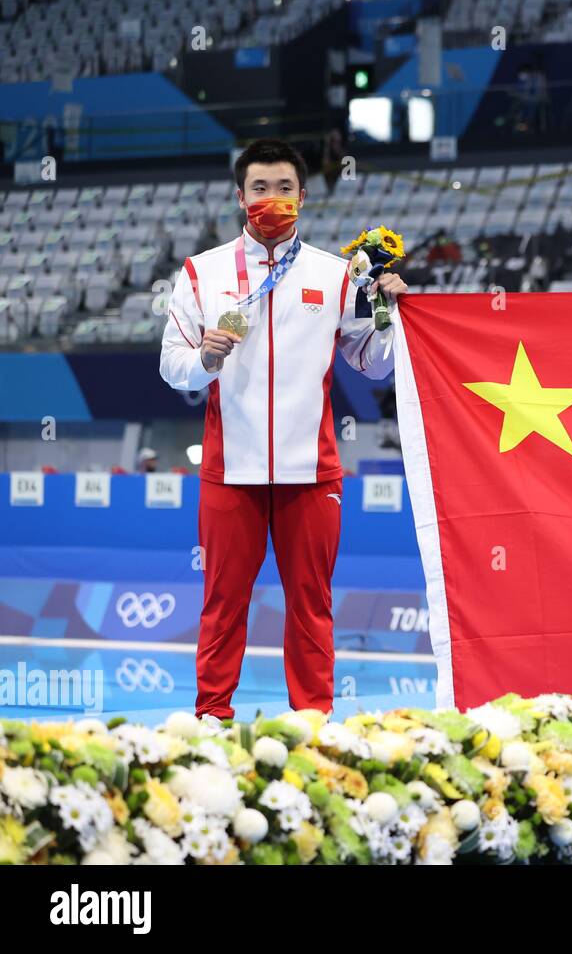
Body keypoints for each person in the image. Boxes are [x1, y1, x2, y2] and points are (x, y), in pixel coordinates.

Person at [159, 138, 407, 721]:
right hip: (230, 470)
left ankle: (313, 726)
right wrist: (207, 360)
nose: (272, 199)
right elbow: (173, 366)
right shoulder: (202, 273)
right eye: (260, 188)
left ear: (303, 196)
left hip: (311, 471)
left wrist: (389, 312)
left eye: (285, 188)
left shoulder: (336, 274)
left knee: (312, 606)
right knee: (222, 603)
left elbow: (375, 362)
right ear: (240, 197)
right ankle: (212, 721)